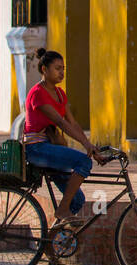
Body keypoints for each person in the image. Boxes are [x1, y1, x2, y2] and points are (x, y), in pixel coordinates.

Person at [23, 48, 107, 244]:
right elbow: (61, 124)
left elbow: (73, 123)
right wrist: (87, 149)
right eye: (57, 68)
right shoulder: (38, 94)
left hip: (50, 148)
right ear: (44, 69)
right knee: (82, 162)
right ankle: (62, 211)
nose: (61, 73)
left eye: (63, 69)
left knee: (76, 200)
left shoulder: (60, 94)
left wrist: (91, 147)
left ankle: (50, 244)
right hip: (37, 149)